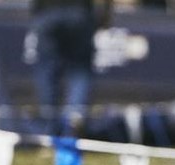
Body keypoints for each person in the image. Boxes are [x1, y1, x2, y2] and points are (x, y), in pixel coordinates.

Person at [28, 0, 112, 135]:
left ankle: (49, 127)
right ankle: (75, 120)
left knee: (48, 74)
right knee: (79, 73)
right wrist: (106, 14)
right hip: (79, 12)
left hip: (48, 11)